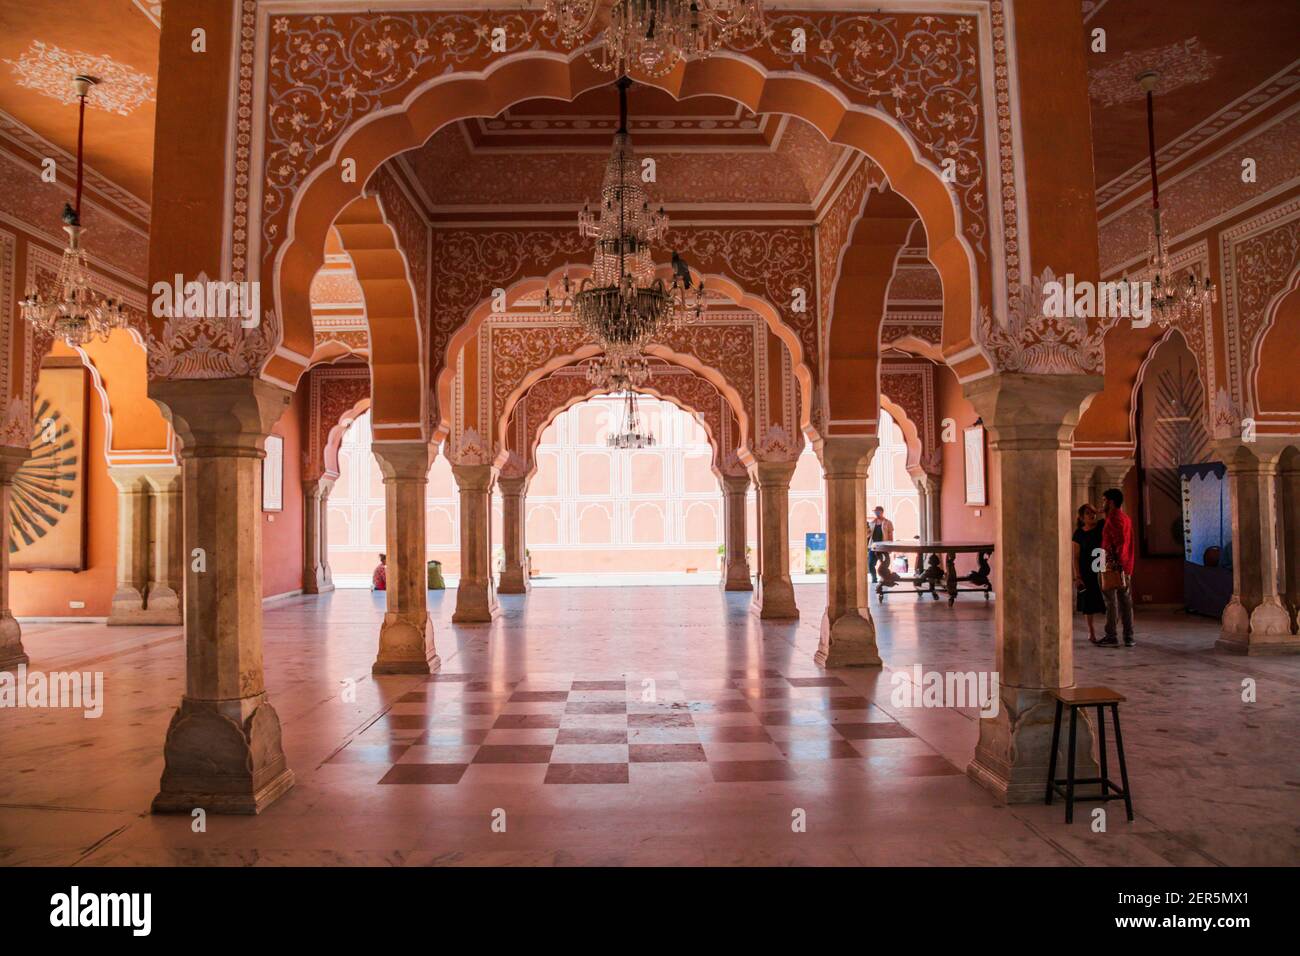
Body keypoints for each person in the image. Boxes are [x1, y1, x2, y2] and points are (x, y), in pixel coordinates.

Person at [1098, 488, 1135, 647]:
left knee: (1111, 602)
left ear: (1111, 502)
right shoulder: (1125, 518)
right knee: (1126, 601)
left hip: (1113, 565)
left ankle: (1111, 635)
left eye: (1104, 500)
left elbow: (1119, 543)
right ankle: (1128, 637)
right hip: (1125, 565)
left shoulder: (1114, 519)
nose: (1103, 503)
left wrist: (1114, 563)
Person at [1071, 503, 1106, 643]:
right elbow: (1076, 556)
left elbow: (1111, 517)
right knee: (1087, 604)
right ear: (1081, 517)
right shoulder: (1078, 533)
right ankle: (1091, 632)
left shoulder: (1101, 526)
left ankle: (1110, 632)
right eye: (1088, 513)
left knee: (1106, 600)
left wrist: (1098, 510)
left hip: (1101, 567)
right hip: (1086, 570)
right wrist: (1077, 576)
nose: (1092, 515)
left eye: (1093, 513)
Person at [868, 506, 894, 583]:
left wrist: (890, 547)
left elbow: (890, 535)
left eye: (878, 512)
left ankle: (884, 578)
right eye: (875, 512)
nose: (876, 513)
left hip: (884, 546)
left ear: (882, 512)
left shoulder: (888, 522)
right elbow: (868, 535)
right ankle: (874, 579)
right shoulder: (872, 523)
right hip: (873, 546)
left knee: (885, 563)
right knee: (870, 564)